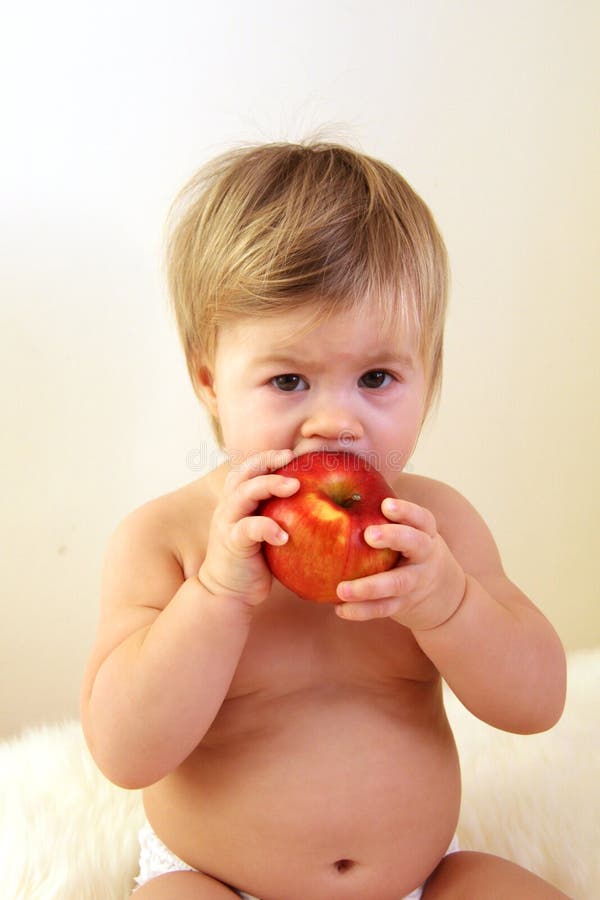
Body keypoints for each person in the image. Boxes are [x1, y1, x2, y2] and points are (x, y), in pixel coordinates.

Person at [80, 140, 569, 899]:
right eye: (288, 379)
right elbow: (123, 751)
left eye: (378, 376)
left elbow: (538, 703)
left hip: (417, 879)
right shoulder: (167, 540)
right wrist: (214, 597)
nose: (335, 421)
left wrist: (452, 605)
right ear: (210, 378)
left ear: (428, 373)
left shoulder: (432, 530)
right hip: (215, 879)